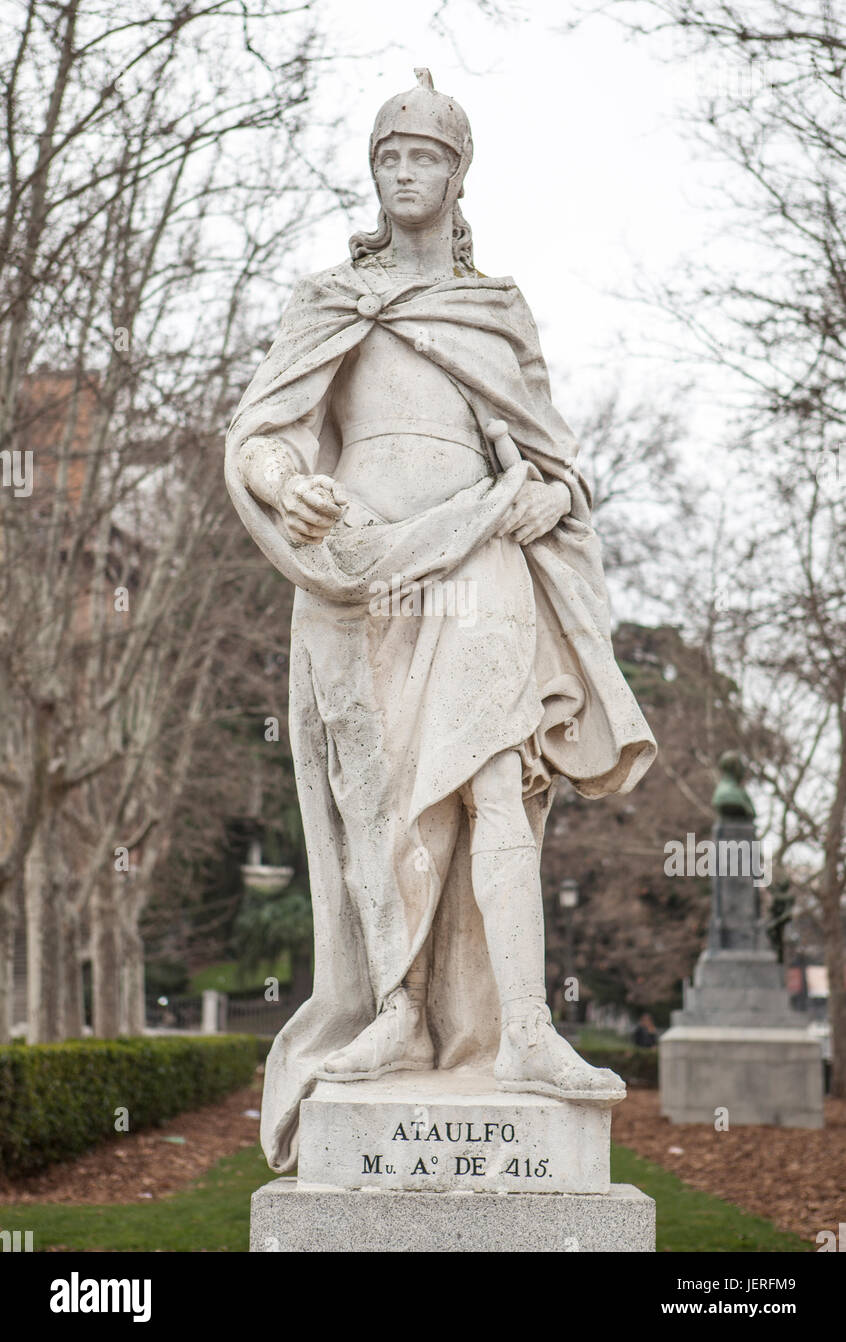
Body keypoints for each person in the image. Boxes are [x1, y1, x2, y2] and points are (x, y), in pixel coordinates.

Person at [224, 70, 657, 1173]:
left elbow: (562, 464)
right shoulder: (329, 301)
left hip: (479, 557)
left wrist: (539, 500)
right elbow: (263, 434)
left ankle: (526, 1031)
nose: (402, 172)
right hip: (361, 573)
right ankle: (400, 1009)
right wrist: (286, 486)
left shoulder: (493, 306)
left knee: (494, 776)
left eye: (422, 156)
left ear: (459, 175)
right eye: (386, 157)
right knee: (375, 800)